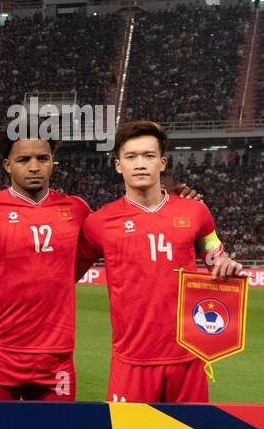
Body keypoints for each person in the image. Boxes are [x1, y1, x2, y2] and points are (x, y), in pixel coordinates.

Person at [77, 120, 243, 403]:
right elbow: (64, 273)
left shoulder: (196, 212)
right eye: (131, 157)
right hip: (132, 362)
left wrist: (227, 266)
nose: (140, 164)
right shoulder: (99, 223)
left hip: (188, 357)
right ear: (119, 165)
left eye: (148, 156)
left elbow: (216, 257)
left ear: (162, 163)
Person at [0, 136, 92, 400]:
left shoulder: (76, 209)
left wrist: (174, 201)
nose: (34, 166)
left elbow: (108, 241)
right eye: (24, 159)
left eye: (42, 158)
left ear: (53, 162)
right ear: (7, 165)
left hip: (56, 355)